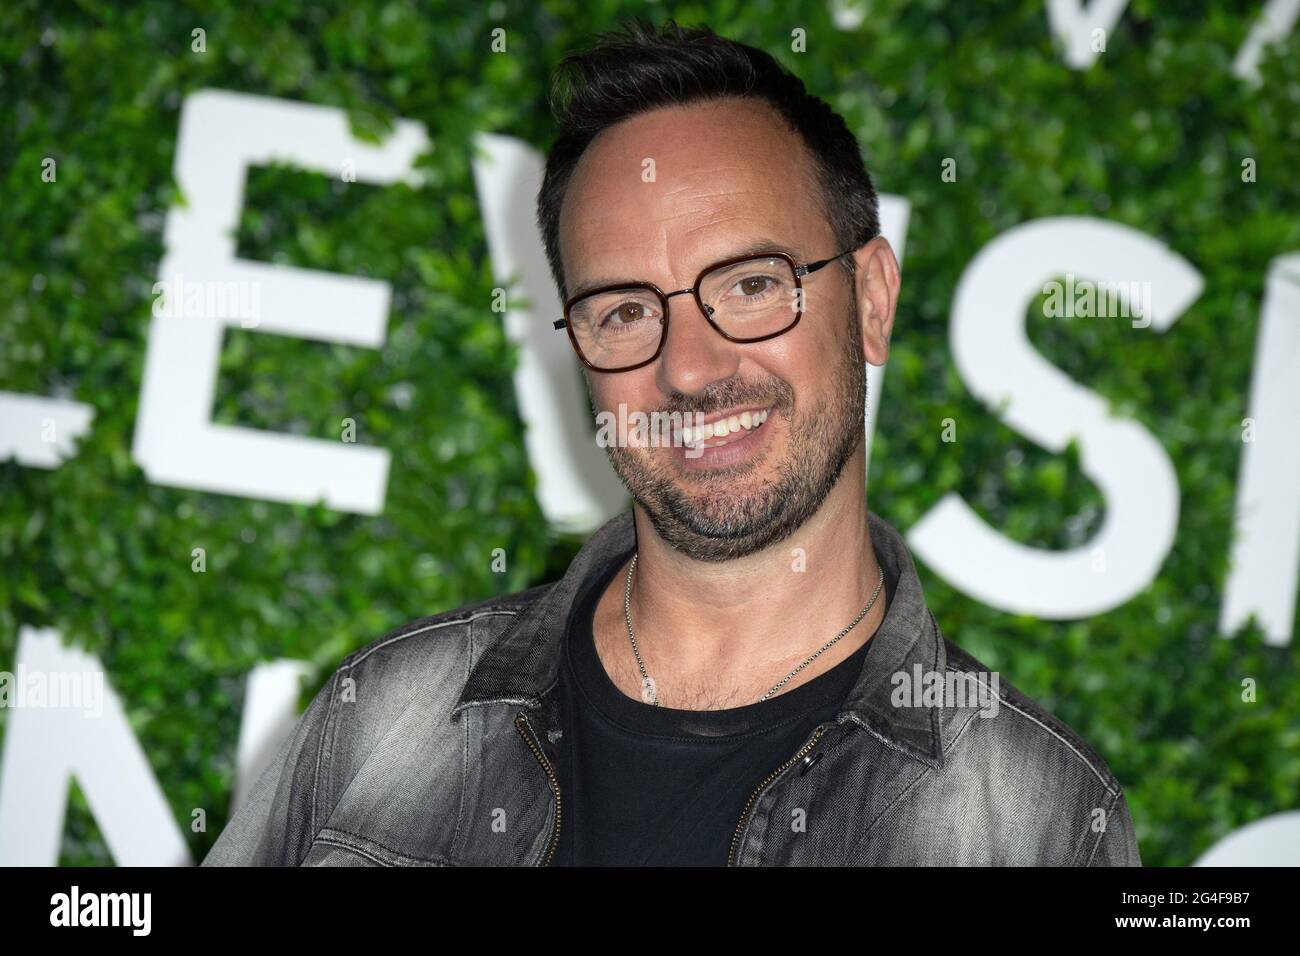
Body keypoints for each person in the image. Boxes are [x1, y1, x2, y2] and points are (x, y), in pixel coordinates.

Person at [203, 17, 1140, 867]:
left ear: (873, 300)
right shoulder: (388, 717)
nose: (688, 369)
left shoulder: (1037, 820)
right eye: (622, 310)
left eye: (750, 285)